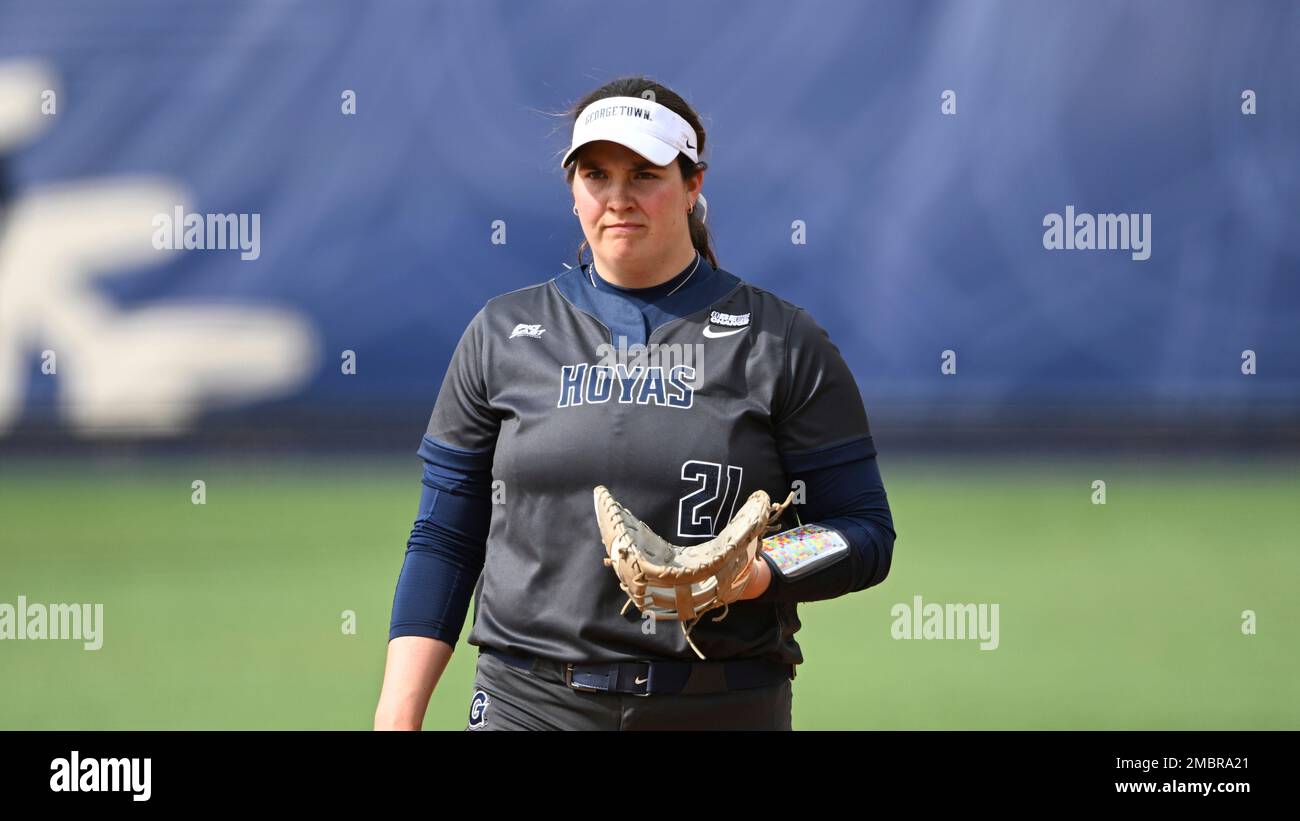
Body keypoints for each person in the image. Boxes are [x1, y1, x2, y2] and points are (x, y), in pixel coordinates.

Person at [373, 76, 896, 731]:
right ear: (572, 191)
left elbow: (864, 531)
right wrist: (398, 714)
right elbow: (445, 538)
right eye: (595, 174)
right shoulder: (505, 334)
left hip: (719, 704)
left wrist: (757, 573)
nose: (617, 199)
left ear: (692, 184)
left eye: (644, 173)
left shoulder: (780, 341)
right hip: (530, 704)